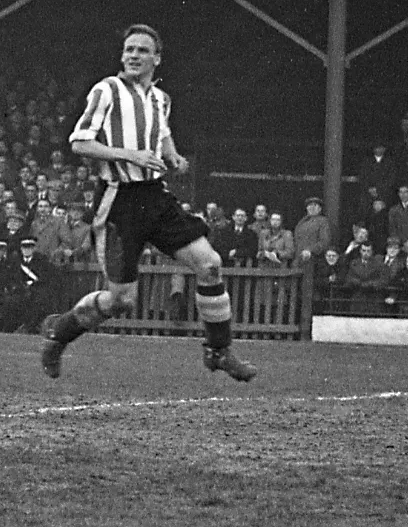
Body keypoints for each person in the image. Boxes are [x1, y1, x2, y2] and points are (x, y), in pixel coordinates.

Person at [39, 25, 256, 381]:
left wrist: (172, 156)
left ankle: (218, 350)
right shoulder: (106, 90)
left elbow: (162, 134)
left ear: (157, 58)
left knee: (210, 265)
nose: (133, 56)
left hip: (154, 197)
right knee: (122, 301)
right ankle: (60, 332)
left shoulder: (161, 98)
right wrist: (131, 156)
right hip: (118, 201)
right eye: (129, 49)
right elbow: (79, 142)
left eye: (142, 50)